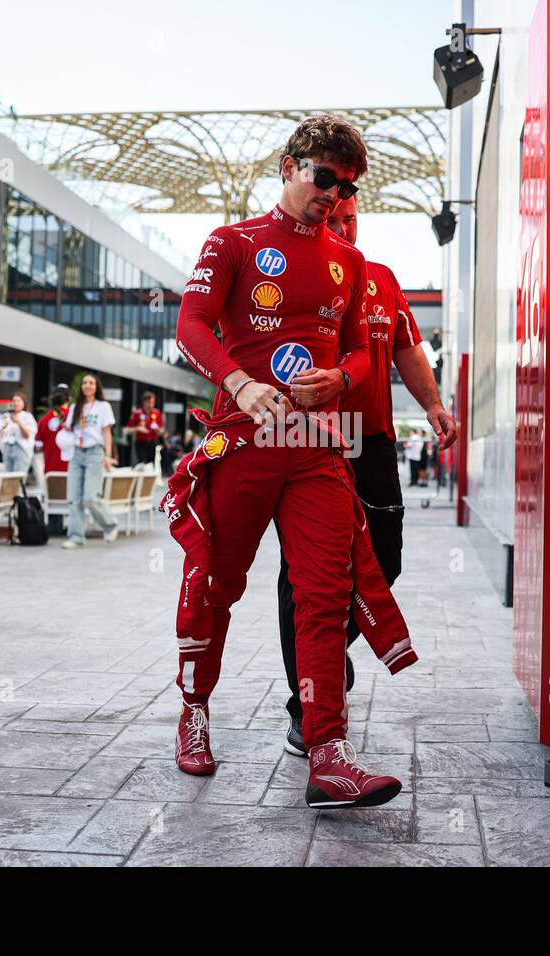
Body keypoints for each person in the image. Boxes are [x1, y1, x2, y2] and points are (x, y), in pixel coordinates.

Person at [168, 114, 406, 809]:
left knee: (327, 597)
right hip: (242, 442)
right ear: (289, 165)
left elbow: (363, 352)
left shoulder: (350, 260)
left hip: (317, 453)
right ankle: (195, 710)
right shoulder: (233, 241)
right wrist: (238, 383)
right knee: (216, 584)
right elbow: (190, 325)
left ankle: (328, 751)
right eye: (323, 176)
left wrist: (344, 379)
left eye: (347, 184)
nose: (333, 193)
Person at [275, 195, 458, 755]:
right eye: (330, 218)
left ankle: (323, 657)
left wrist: (432, 405)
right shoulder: (284, 277)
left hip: (372, 442)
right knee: (306, 576)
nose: (340, 227)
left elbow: (406, 350)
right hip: (309, 442)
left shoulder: (379, 278)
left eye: (349, 218)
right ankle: (309, 702)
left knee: (387, 557)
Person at [61, 372, 119, 548]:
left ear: (96, 387)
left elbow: (106, 432)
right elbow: (70, 429)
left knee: (90, 498)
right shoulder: (74, 408)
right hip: (77, 453)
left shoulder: (103, 407)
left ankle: (110, 524)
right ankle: (76, 537)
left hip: (95, 452)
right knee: (73, 498)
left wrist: (108, 456)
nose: (87, 385)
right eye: (84, 383)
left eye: (91, 383)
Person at [0, 391, 37, 477]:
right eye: (13, 401)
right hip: (7, 448)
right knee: (8, 478)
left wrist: (19, 423)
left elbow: (28, 436)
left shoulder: (28, 416)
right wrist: (3, 427)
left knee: (18, 478)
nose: (16, 403)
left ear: (24, 403)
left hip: (21, 449)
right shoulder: (4, 416)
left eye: (18, 401)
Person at [36, 385, 71, 477]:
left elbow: (38, 447)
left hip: (50, 472)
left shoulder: (43, 420)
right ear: (69, 398)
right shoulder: (73, 417)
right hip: (71, 470)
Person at [126, 391, 165, 467]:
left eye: (153, 402)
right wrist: (138, 428)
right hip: (141, 442)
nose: (151, 405)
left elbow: (162, 428)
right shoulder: (137, 413)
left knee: (152, 464)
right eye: (149, 402)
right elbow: (128, 429)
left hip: (153, 442)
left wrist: (159, 430)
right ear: (144, 402)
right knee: (142, 464)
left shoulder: (156, 413)